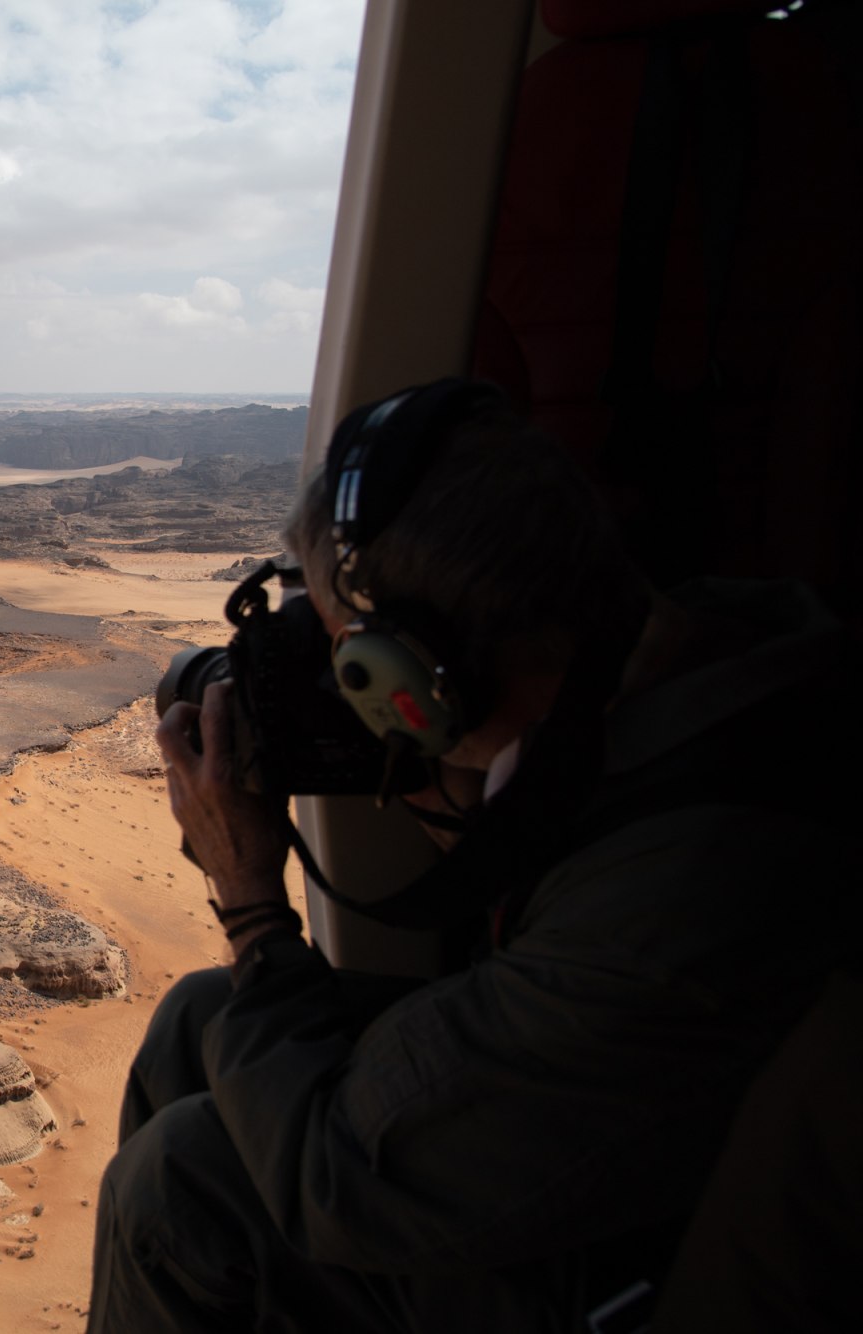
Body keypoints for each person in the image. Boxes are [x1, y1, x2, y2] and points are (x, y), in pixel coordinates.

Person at [87, 379, 848, 1333]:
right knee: (203, 1016)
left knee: (181, 1190)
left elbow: (337, 1181)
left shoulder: (689, 889)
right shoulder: (691, 668)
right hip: (654, 1148)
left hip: (647, 1271)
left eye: (355, 668)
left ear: (423, 679)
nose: (352, 699)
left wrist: (249, 895)